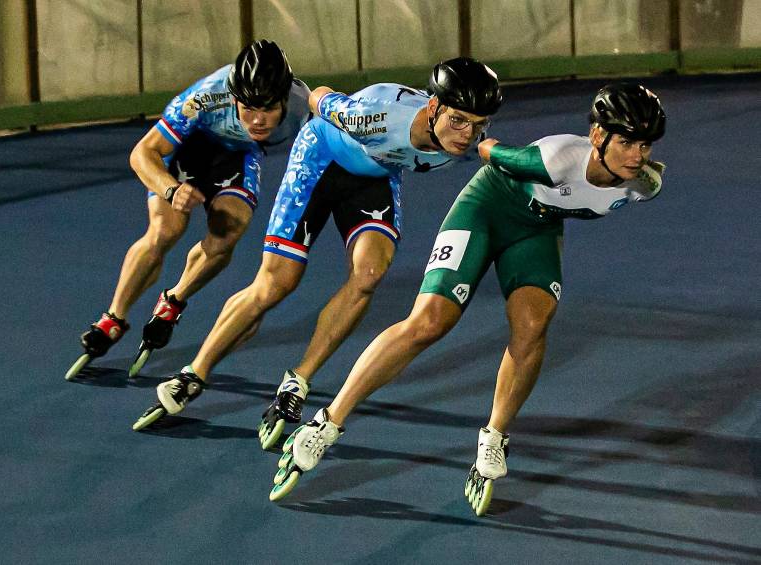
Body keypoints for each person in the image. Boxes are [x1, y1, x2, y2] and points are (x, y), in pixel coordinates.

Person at [268, 83, 667, 516]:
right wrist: (469, 134)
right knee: (429, 322)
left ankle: (494, 439)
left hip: (536, 228)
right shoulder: (554, 160)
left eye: (643, 144)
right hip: (488, 205)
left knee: (533, 327)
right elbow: (488, 149)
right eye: (625, 142)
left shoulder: (643, 184)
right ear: (596, 136)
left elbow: (644, 177)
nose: (635, 156)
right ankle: (326, 423)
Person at [131, 57, 504, 436]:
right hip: (319, 158)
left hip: (372, 177)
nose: (465, 134)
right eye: (457, 120)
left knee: (370, 274)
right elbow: (320, 98)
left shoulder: (468, 140)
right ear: (433, 107)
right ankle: (194, 372)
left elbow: (501, 155)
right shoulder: (375, 117)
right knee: (276, 283)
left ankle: (299, 380)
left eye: (477, 125)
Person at [65, 40, 311, 381]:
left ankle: (174, 300)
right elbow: (142, 153)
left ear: (285, 98)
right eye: (247, 108)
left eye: (267, 109)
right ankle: (114, 317)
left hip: (237, 156)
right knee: (165, 231)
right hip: (188, 148)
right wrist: (171, 188)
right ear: (234, 97)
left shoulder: (303, 106)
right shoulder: (205, 98)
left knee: (229, 233)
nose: (257, 120)